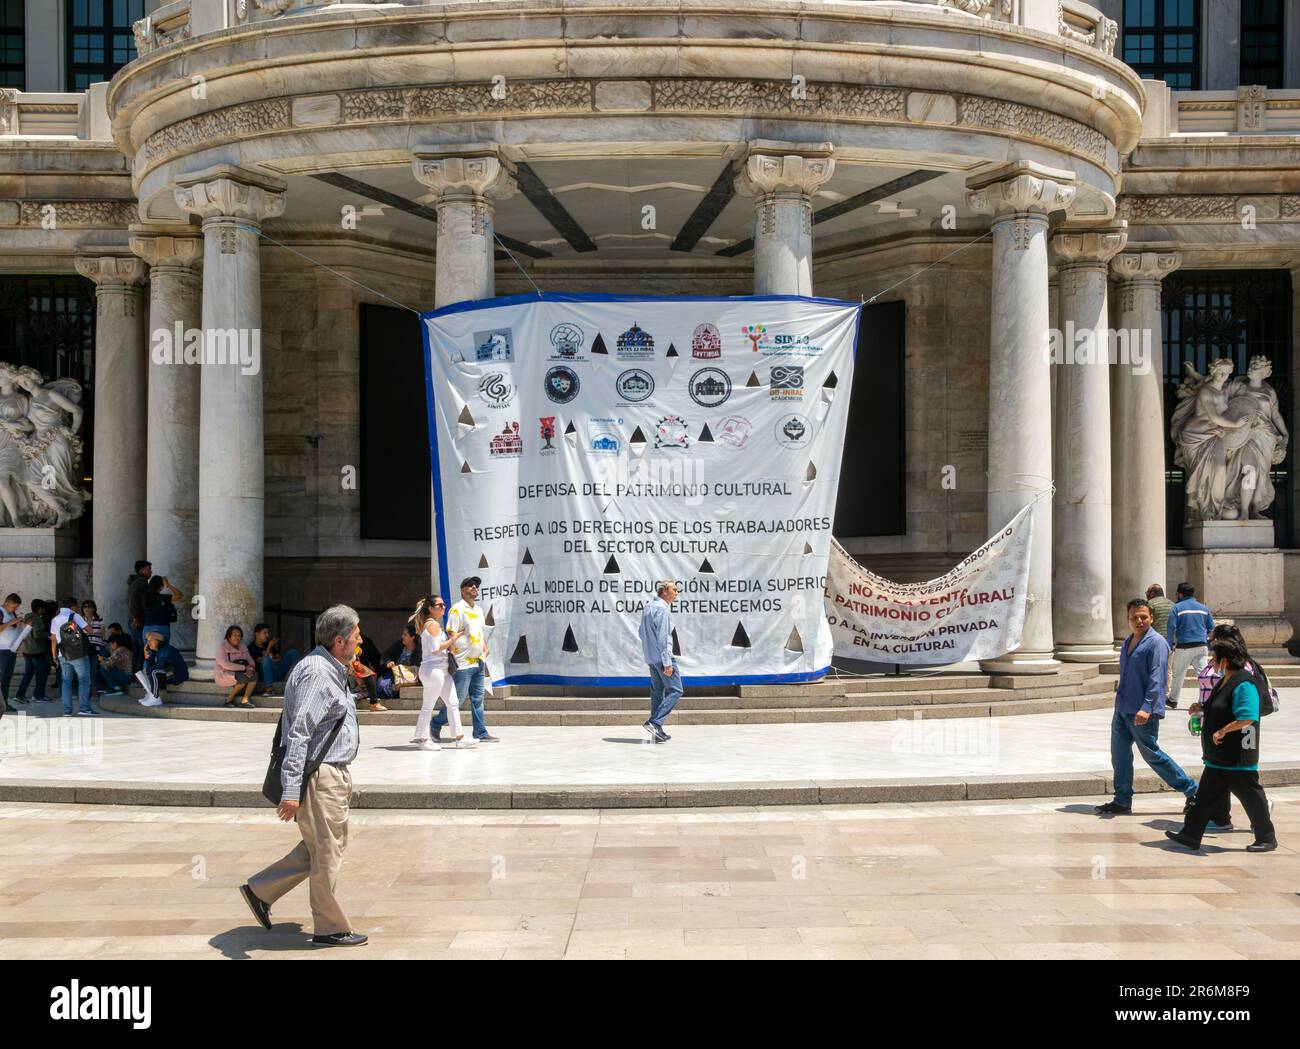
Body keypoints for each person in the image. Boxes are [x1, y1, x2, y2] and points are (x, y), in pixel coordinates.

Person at [240, 605, 368, 948]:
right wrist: (292, 789)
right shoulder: (317, 672)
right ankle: (329, 927)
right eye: (356, 635)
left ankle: (261, 890)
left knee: (323, 845)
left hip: (330, 773)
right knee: (327, 849)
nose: (360, 640)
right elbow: (299, 732)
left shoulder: (330, 667)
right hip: (320, 775)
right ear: (339, 641)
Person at [1166, 635, 1278, 852]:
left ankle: (1266, 837)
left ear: (1225, 660)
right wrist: (1199, 708)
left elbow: (1248, 716)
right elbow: (1218, 706)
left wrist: (1222, 730)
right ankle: (1190, 835)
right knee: (1204, 796)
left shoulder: (1244, 683)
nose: (1211, 663)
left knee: (1251, 798)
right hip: (1220, 756)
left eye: (1214, 658)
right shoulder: (1226, 679)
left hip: (1238, 755)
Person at [1096, 597, 1199, 816]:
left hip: (1143, 711)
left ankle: (1193, 790)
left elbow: (1157, 678)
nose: (1139, 620)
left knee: (1152, 755)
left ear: (1151, 618)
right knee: (1120, 756)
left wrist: (1147, 707)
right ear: (1128, 619)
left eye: (1143, 616)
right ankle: (1122, 800)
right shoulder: (1127, 641)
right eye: (1134, 617)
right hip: (1123, 709)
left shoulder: (1157, 643)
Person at [432, 576, 498, 743]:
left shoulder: (478, 610)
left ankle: (480, 732)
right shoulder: (457, 609)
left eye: (476, 585)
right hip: (462, 662)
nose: (474, 588)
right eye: (470, 585)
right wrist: (455, 651)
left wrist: (484, 647)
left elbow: (479, 632)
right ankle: (435, 723)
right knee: (458, 699)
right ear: (462, 590)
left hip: (478, 660)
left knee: (478, 698)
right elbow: (451, 633)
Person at [410, 595, 472, 751]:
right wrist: (454, 638)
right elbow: (436, 648)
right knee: (429, 705)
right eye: (440, 605)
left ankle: (459, 737)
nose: (444, 607)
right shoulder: (432, 625)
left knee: (453, 702)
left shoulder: (433, 624)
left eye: (444, 605)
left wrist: (451, 643)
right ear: (431, 609)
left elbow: (439, 647)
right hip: (434, 670)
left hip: (440, 669)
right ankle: (423, 738)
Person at [638, 579, 682, 743]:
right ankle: (655, 723)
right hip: (663, 659)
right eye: (674, 589)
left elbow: (641, 633)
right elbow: (664, 637)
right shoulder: (662, 610)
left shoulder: (648, 607)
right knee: (676, 690)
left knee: (657, 693)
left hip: (651, 658)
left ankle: (656, 731)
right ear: (664, 591)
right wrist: (667, 662)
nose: (677, 592)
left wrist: (650, 653)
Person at [1166, 582, 1215, 709]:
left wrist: (1169, 644)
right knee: (1203, 674)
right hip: (1201, 646)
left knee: (1179, 674)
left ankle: (1173, 700)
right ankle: (1208, 700)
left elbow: (1171, 628)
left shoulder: (1176, 608)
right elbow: (1211, 628)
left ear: (1180, 594)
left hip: (1184, 647)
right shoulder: (1203, 608)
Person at [49, 596, 93, 717]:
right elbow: (90, 631)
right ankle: (84, 708)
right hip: (78, 654)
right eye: (77, 606)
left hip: (62, 654)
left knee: (66, 682)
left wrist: (54, 656)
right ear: (73, 606)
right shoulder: (75, 616)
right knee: (84, 680)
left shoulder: (55, 619)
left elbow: (53, 640)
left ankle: (67, 710)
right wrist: (88, 618)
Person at [14, 598, 51, 703]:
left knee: (28, 674)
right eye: (43, 608)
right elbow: (37, 635)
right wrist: (48, 635)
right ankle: (38, 696)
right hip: (37, 651)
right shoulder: (38, 619)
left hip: (27, 650)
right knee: (42, 673)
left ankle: (20, 695)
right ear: (40, 609)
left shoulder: (26, 617)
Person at [139, 630, 189, 706]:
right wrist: (147, 656)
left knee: (153, 672)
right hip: (169, 673)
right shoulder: (155, 651)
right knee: (148, 671)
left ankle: (155, 698)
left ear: (158, 641)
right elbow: (151, 667)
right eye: (148, 641)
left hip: (177, 675)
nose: (148, 643)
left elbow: (158, 666)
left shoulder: (166, 649)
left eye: (151, 641)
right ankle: (150, 695)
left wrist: (148, 670)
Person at [249, 623, 301, 695]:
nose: (267, 635)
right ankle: (269, 689)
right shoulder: (252, 648)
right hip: (263, 675)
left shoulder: (268, 644)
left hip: (276, 671)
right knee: (266, 660)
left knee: (293, 652)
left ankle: (296, 678)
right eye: (264, 633)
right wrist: (269, 647)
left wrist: (272, 660)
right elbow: (262, 661)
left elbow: (279, 658)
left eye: (268, 633)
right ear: (257, 634)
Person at [215, 625, 258, 707]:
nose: (237, 638)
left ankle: (245, 700)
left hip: (240, 672)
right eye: (234, 635)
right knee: (243, 678)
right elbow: (225, 664)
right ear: (229, 636)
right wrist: (244, 668)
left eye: (239, 636)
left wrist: (251, 668)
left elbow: (250, 660)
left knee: (254, 675)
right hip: (224, 674)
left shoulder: (242, 646)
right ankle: (228, 700)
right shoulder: (222, 647)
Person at [139, 574, 183, 647]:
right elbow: (179, 595)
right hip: (163, 627)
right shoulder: (164, 598)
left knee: (148, 653)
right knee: (162, 652)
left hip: (147, 628)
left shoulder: (144, 598)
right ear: (161, 587)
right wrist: (168, 585)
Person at [379, 624, 421, 698]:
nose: (402, 637)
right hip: (395, 673)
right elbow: (386, 654)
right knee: (383, 686)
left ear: (412, 637)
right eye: (403, 634)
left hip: (410, 676)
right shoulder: (399, 644)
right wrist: (388, 662)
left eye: (405, 635)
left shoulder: (419, 649)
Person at [347, 635, 388, 712]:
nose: (360, 641)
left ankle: (374, 703)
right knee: (370, 676)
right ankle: (374, 703)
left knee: (370, 675)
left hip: (351, 660)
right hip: (346, 660)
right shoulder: (346, 632)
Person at [126, 560, 152, 672]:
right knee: (143, 648)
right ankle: (140, 675)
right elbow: (134, 601)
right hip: (137, 621)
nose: (151, 571)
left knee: (137, 649)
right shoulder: (141, 582)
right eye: (148, 569)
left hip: (134, 619)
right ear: (141, 570)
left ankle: (135, 676)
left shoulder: (135, 581)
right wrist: (136, 617)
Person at [0, 591, 23, 713]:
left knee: (7, 678)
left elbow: (12, 630)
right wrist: (11, 622)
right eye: (14, 606)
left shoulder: (11, 613)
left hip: (11, 650)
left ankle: (5, 703)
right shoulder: (1, 612)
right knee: (1, 678)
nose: (15, 609)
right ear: (7, 602)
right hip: (1, 650)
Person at [80, 600, 105, 695]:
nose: (87, 608)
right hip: (83, 648)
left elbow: (102, 633)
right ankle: (85, 692)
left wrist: (91, 633)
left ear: (93, 608)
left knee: (93, 670)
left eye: (89, 606)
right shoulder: (80, 619)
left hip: (95, 648)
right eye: (85, 606)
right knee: (85, 670)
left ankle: (94, 691)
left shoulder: (99, 619)